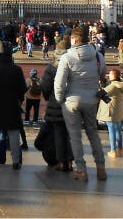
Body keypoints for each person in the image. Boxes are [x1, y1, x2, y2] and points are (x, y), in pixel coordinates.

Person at [54, 27, 107, 181]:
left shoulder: (67, 57)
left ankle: (81, 169)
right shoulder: (98, 56)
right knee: (93, 134)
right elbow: (102, 74)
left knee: (75, 136)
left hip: (72, 100)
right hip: (91, 99)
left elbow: (59, 83)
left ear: (75, 40)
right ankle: (101, 167)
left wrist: (60, 99)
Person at [0, 42, 27, 170]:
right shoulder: (17, 69)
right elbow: (22, 89)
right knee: (14, 133)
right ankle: (15, 161)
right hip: (12, 104)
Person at [40, 37, 73, 172]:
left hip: (56, 103)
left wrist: (49, 97)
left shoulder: (52, 67)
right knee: (70, 136)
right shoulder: (75, 64)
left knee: (59, 134)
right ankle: (70, 161)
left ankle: (61, 162)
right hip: (72, 102)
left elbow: (46, 86)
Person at [96, 68, 123, 159]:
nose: (108, 75)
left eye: (110, 74)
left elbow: (99, 94)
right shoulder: (121, 84)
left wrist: (105, 97)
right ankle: (120, 149)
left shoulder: (112, 86)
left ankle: (113, 150)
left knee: (111, 130)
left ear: (114, 76)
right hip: (117, 111)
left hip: (111, 112)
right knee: (118, 130)